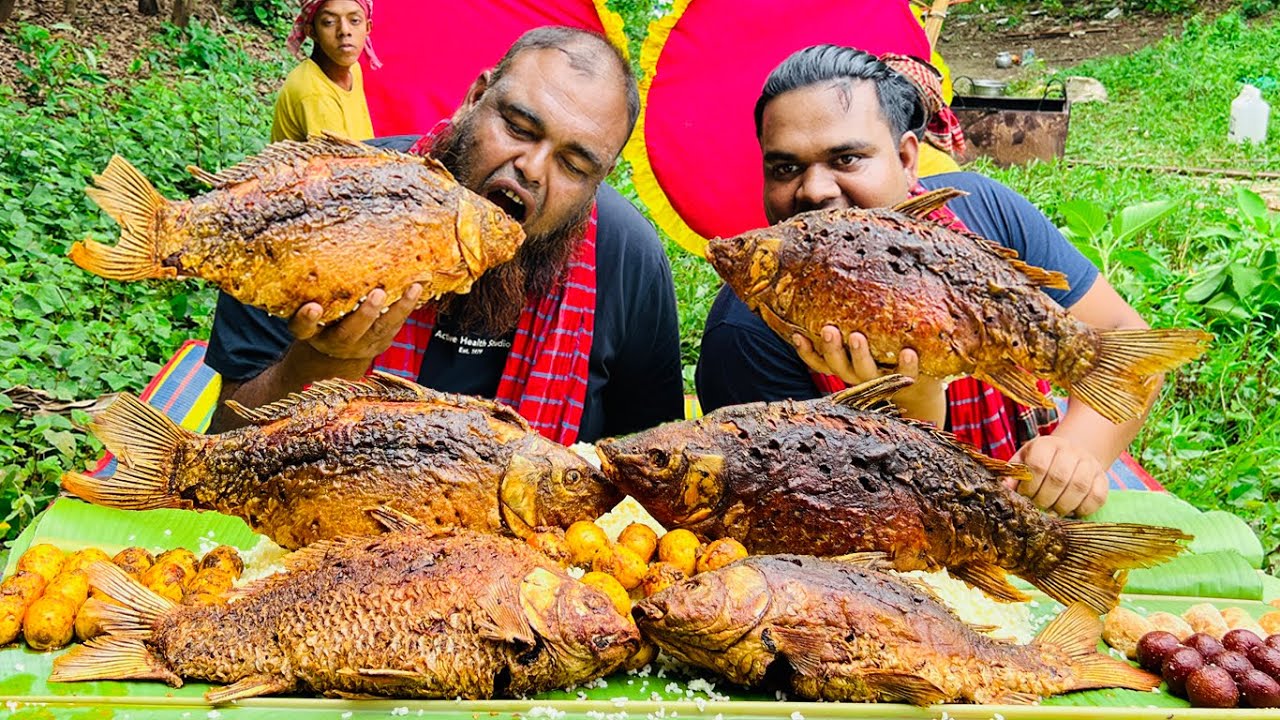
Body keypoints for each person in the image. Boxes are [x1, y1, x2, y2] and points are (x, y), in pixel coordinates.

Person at [696, 45, 1159, 517]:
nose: (814, 190)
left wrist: (1076, 453)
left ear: (906, 157)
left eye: (848, 159)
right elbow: (853, 519)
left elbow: (1127, 347)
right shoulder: (745, 338)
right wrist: (916, 401)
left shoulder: (983, 211)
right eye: (785, 168)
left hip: (1048, 508)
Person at [208, 27, 684, 445]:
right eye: (518, 128)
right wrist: (317, 362)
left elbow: (650, 461)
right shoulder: (331, 202)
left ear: (599, 180)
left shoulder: (628, 260)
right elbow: (225, 435)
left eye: (574, 165)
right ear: (475, 98)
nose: (532, 169)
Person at [270, 0, 380, 143]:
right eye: (329, 22)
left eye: (354, 20)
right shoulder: (313, 93)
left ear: (367, 27)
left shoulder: (353, 69)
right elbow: (339, 162)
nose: (344, 31)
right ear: (312, 32)